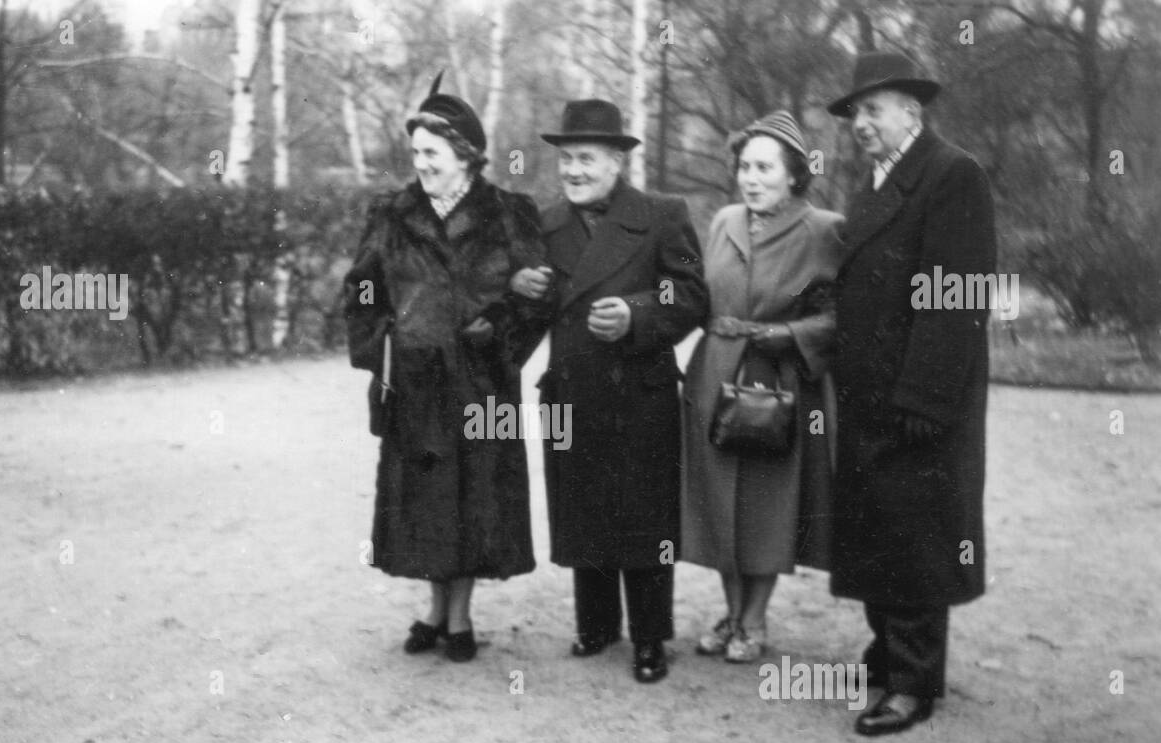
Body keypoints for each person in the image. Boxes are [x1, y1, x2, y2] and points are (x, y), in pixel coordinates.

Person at [343, 73, 547, 663]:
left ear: (465, 156)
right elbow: (360, 288)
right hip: (416, 382)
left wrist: (500, 331)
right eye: (416, 154)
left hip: (482, 381)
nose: (421, 164)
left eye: (431, 153)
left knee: (476, 495)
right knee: (428, 500)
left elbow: (540, 296)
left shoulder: (509, 214)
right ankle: (436, 610)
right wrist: (381, 343)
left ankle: (460, 617)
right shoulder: (391, 214)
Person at [826, 52, 997, 735]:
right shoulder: (875, 182)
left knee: (920, 532)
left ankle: (913, 682)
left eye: (873, 109)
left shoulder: (952, 175)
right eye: (854, 113)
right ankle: (884, 653)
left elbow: (959, 297)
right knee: (876, 525)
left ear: (912, 112)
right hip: (870, 390)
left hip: (921, 398)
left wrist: (925, 397)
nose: (860, 123)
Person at [510, 99, 707, 683]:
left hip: (640, 393)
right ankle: (595, 625)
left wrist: (640, 313)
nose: (572, 170)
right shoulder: (545, 225)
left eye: (586, 159)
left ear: (618, 161)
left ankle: (650, 638)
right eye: (566, 158)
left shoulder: (663, 214)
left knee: (644, 516)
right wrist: (519, 286)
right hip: (570, 393)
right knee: (582, 509)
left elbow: (692, 295)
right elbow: (530, 315)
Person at [680, 111, 844, 663]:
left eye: (764, 168)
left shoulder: (823, 229)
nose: (750, 178)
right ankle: (732, 614)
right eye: (744, 166)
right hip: (717, 371)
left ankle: (754, 621)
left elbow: (843, 315)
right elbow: (702, 294)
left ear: (795, 174)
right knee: (721, 499)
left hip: (779, 381)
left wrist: (791, 334)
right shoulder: (724, 220)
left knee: (767, 503)